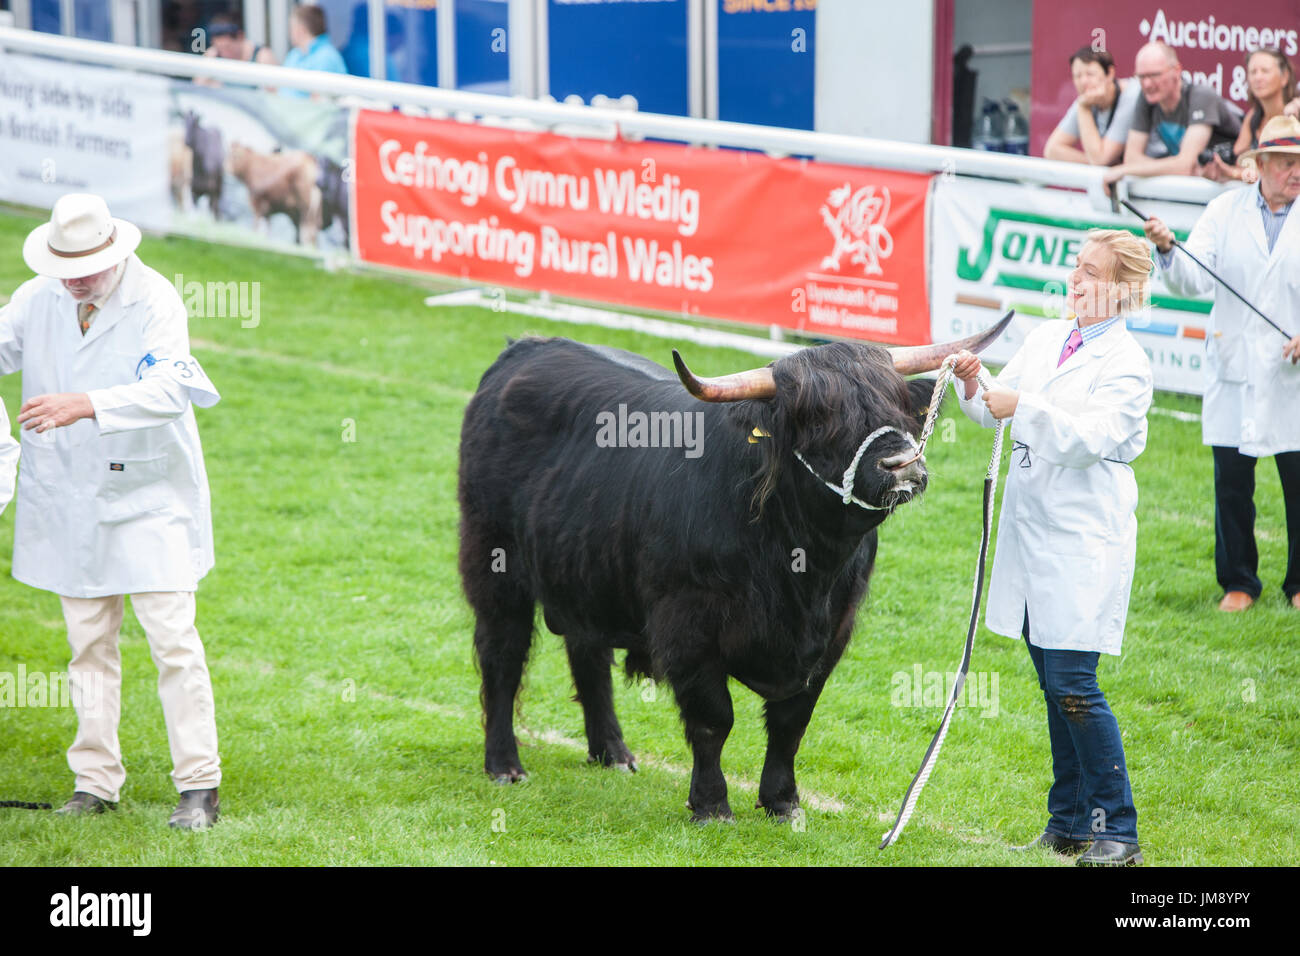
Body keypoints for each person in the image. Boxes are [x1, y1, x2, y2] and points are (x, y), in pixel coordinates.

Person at [2, 194, 224, 828]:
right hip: (70, 496)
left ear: (115, 252)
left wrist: (88, 403)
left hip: (149, 497)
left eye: (86, 267)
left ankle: (199, 786)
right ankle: (94, 782)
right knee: (87, 644)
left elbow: (174, 389)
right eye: (64, 266)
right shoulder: (38, 297)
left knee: (173, 641)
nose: (73, 279)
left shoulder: (154, 299)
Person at [951, 230, 1155, 866]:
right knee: (1053, 683)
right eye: (1076, 268)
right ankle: (1068, 821)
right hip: (1033, 535)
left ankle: (1116, 826)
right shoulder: (1046, 337)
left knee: (1073, 683)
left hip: (1082, 541)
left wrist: (1025, 406)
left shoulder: (1128, 364)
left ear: (1124, 291)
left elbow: (1089, 438)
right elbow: (994, 410)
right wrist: (973, 380)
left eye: (1093, 273)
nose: (1077, 280)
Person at [1143, 116, 1300, 612]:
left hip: (1292, 374)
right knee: (1232, 483)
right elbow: (1193, 279)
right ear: (1261, 165)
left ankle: (1299, 585)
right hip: (1233, 368)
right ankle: (1238, 581)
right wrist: (1169, 248)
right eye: (1289, 163)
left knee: (1298, 483)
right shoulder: (1224, 211)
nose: (1296, 172)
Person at [1104, 41, 1242, 186]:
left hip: (1237, 182)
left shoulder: (1202, 96)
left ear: (1176, 70)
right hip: (1202, 186)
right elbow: (1131, 159)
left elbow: (1185, 165)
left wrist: (1126, 170)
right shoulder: (1147, 98)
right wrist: (1172, 166)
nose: (1147, 84)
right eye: (1141, 77)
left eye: (1154, 75)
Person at [1211, 48, 1300, 184]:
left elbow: (1279, 178)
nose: (1258, 78)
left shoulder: (1296, 113)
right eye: (1253, 72)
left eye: (1265, 71)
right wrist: (1233, 173)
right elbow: (1242, 167)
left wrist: (1235, 174)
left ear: (1284, 77)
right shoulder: (1253, 118)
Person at [1044, 47, 1142, 167]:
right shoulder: (1085, 101)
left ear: (1110, 73)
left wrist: (1084, 108)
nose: (1084, 81)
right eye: (1077, 76)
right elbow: (1052, 150)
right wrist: (1097, 165)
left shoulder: (1132, 95)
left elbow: (1100, 159)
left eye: (1090, 74)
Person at [281, 3, 348, 98]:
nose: (290, 33)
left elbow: (319, 103)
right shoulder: (295, 54)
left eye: (292, 28)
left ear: (301, 30)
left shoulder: (327, 57)